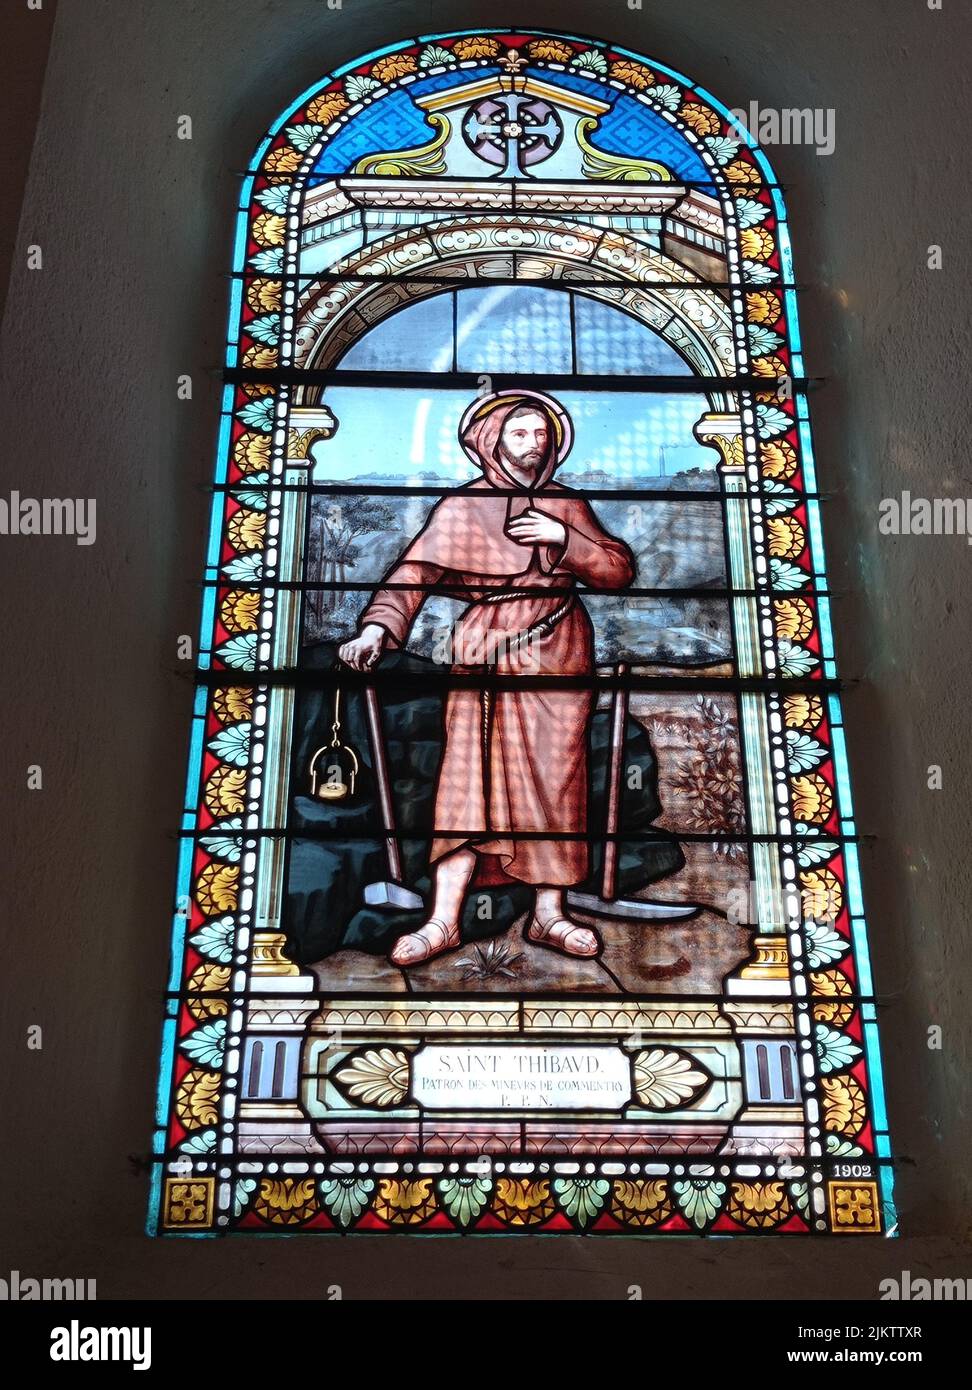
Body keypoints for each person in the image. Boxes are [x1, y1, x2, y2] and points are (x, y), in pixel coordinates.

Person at [338, 389, 634, 966]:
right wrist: (378, 628)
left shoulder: (567, 504)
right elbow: (414, 573)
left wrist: (563, 540)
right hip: (483, 649)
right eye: (520, 433)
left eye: (542, 433)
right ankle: (443, 920)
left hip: (558, 649)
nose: (534, 443)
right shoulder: (459, 508)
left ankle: (550, 914)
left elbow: (617, 568)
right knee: (465, 783)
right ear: (491, 440)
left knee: (556, 783)